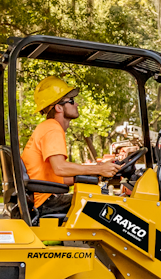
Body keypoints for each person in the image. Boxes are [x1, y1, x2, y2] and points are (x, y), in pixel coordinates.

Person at [21, 76, 119, 216]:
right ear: (59, 107)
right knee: (112, 208)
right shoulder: (52, 129)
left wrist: (95, 173)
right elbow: (60, 168)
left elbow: (59, 178)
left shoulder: (47, 128)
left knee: (102, 201)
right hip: (46, 203)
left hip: (42, 200)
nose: (77, 104)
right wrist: (99, 168)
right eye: (71, 101)